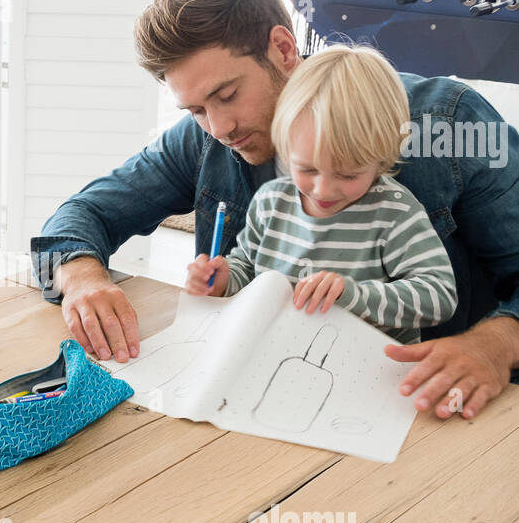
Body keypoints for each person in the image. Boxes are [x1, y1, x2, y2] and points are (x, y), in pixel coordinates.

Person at [33, 0, 519, 421]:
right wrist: (81, 277)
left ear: (281, 48)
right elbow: (81, 215)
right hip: (269, 398)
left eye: (227, 94)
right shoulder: (205, 139)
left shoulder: (448, 124)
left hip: (422, 410)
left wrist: (491, 347)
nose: (219, 127)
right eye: (196, 109)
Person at [187, 44, 457, 345]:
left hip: (366, 371)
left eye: (348, 174)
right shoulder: (270, 202)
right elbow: (247, 267)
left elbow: (439, 295)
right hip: (276, 359)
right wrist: (223, 281)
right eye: (308, 169)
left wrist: (353, 295)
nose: (324, 189)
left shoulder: (394, 212)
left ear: (382, 158)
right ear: (287, 148)